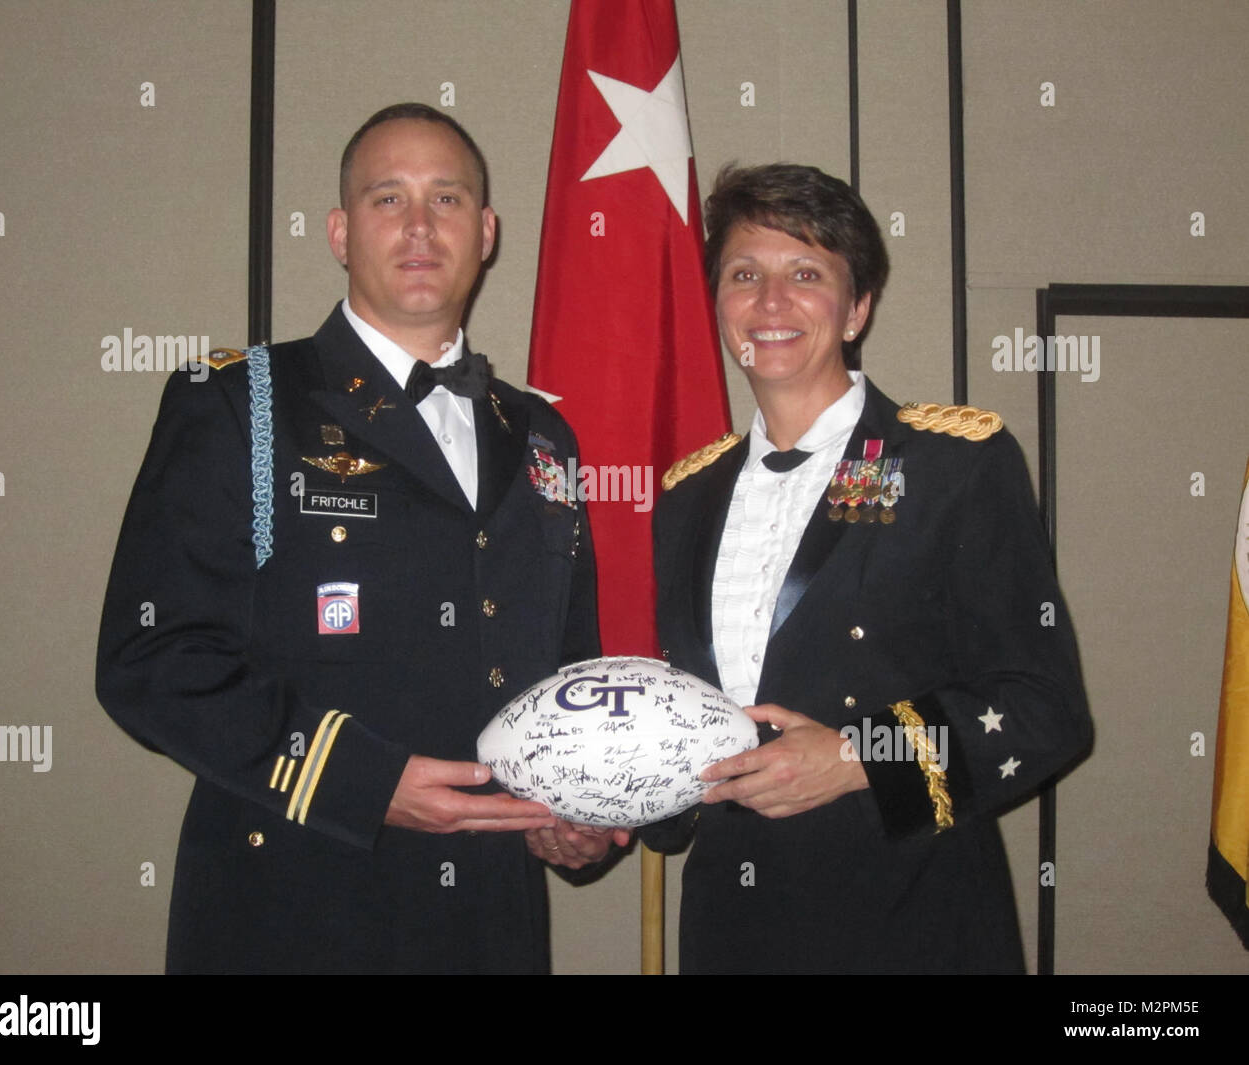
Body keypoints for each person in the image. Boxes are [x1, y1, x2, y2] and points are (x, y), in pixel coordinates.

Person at [96, 104, 624, 974]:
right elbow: (151, 658)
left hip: (492, 926)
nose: (420, 226)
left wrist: (569, 815)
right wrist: (364, 782)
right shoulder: (242, 402)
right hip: (295, 911)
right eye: (388, 199)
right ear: (340, 232)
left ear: (486, 232)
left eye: (447, 199)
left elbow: (563, 671)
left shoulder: (541, 437)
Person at [644, 163, 1092, 973]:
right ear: (718, 303)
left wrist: (857, 756)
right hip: (731, 933)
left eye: (805, 274)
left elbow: (1043, 709)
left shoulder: (953, 465)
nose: (771, 302)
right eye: (745, 274)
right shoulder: (687, 498)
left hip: (911, 922)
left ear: (856, 308)